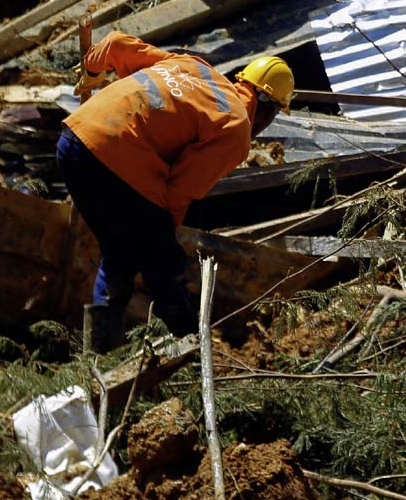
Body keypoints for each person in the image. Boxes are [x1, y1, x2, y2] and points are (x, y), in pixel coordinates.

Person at [55, 30, 294, 350]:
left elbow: (116, 43)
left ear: (244, 80)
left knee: (119, 253)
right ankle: (193, 350)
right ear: (268, 109)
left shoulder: (193, 66)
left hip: (74, 141)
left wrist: (93, 69)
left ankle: (99, 356)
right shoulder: (236, 128)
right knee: (163, 264)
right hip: (117, 163)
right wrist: (164, 237)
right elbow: (178, 191)